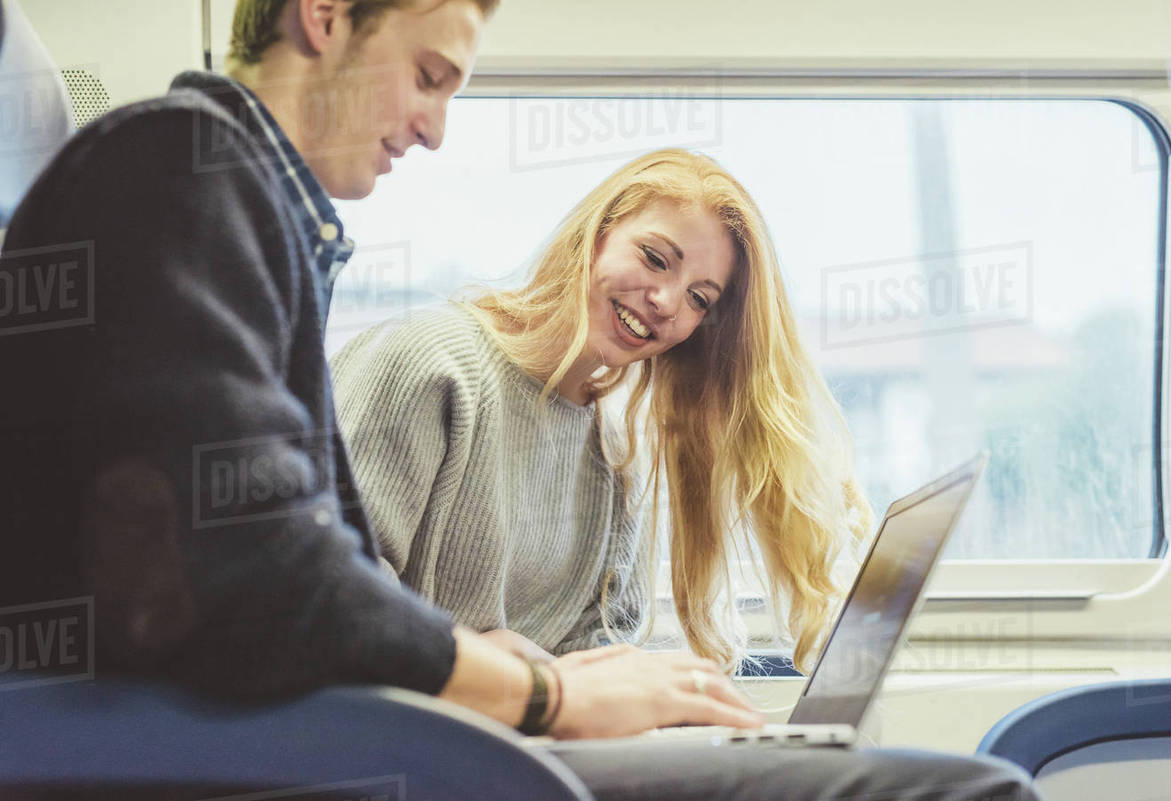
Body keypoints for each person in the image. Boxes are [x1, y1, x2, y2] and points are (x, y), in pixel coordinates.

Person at [0, 0, 1039, 798]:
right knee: (960, 788)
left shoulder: (258, 210)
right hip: (283, 753)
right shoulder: (181, 165)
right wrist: (550, 696)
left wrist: (516, 667)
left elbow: (278, 571)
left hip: (318, 733)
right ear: (323, 16)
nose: (438, 129)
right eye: (428, 74)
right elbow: (260, 580)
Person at [331, 148, 872, 673]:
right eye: (655, 259)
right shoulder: (429, 363)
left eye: (699, 299)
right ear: (596, 236)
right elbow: (330, 601)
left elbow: (591, 656)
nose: (666, 301)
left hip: (523, 747)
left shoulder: (613, 458)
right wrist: (502, 666)